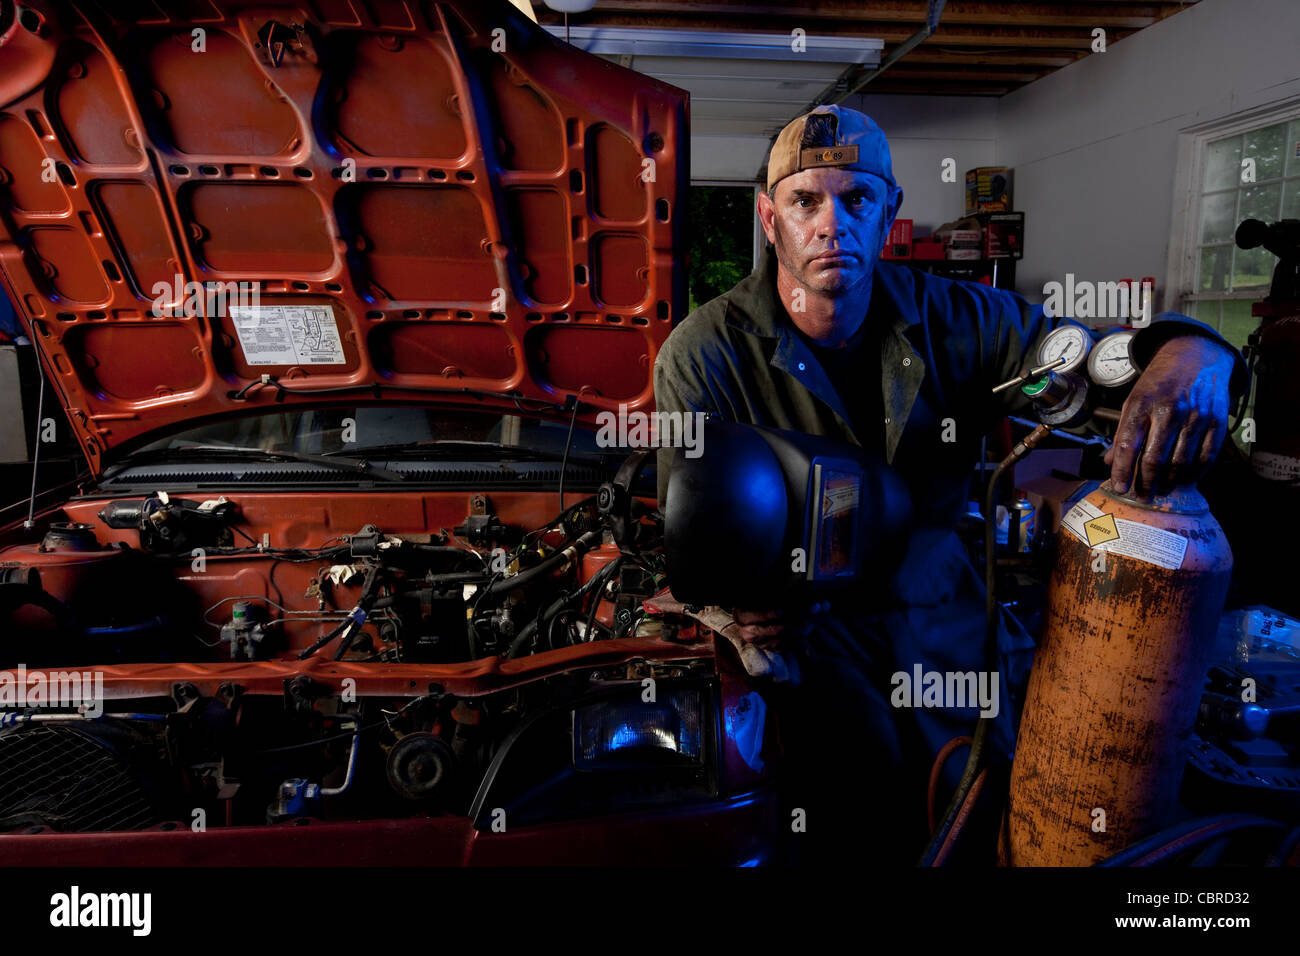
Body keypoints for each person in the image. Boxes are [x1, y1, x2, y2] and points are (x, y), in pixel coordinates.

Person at [653, 105, 1247, 863]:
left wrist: (1194, 354)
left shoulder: (961, 318)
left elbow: (1087, 361)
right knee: (840, 816)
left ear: (888, 211)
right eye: (806, 201)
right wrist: (738, 615)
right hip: (807, 632)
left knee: (989, 808)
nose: (832, 222)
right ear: (771, 219)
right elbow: (695, 544)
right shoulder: (703, 355)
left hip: (942, 613)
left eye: (856, 199)